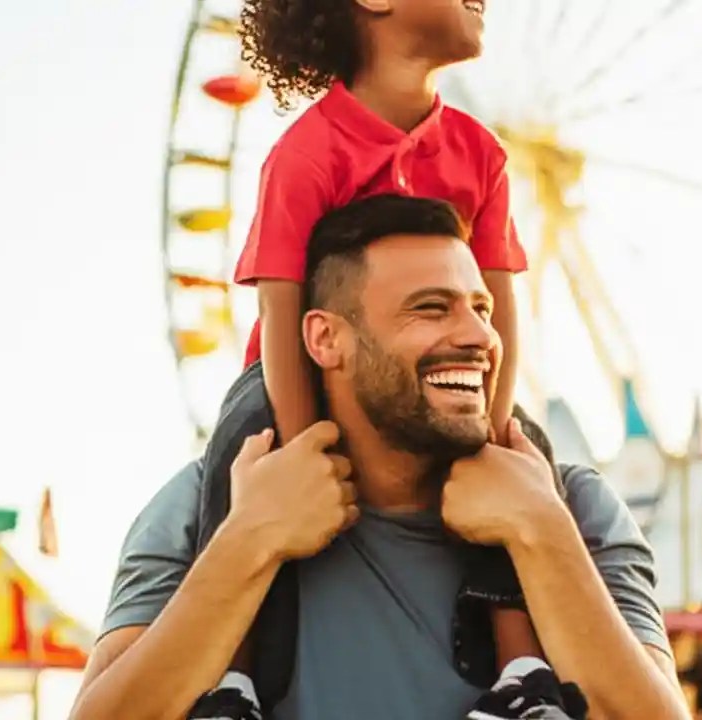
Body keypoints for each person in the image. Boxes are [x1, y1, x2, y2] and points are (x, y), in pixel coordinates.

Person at [69, 195, 691, 720]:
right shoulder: (206, 503)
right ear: (325, 338)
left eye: (481, 308)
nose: (479, 336)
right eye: (431, 308)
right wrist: (249, 541)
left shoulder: (575, 506)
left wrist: (541, 531)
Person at [229, 0, 541, 709]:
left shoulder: (480, 153)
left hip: (443, 386)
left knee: (524, 468)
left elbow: (499, 305)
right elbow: (280, 313)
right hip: (294, 376)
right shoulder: (305, 155)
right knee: (237, 468)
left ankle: (524, 674)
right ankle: (235, 678)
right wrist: (304, 446)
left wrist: (490, 429)